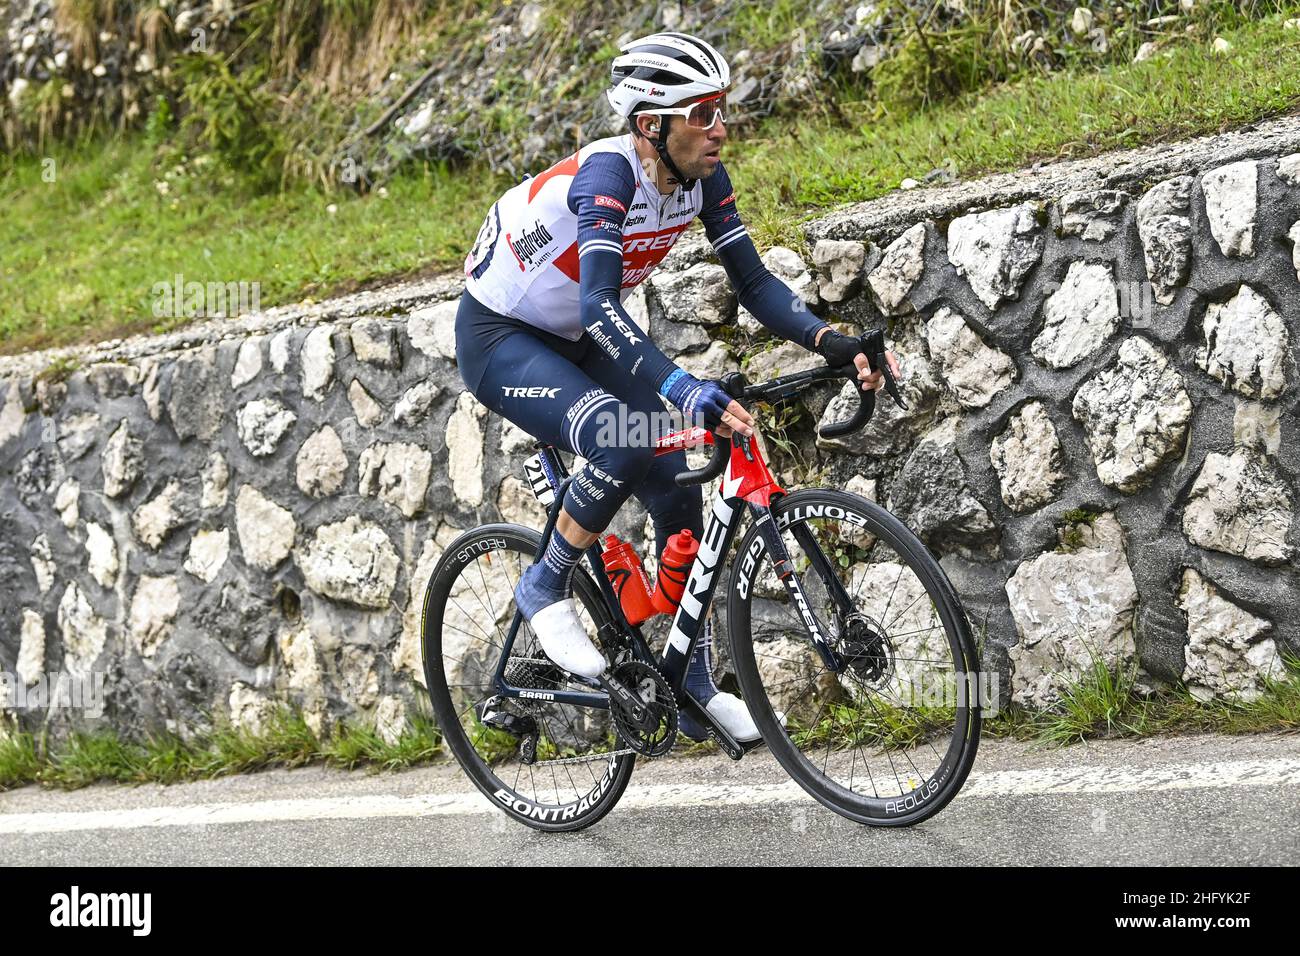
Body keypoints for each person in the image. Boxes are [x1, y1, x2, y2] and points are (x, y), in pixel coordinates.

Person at [454, 31, 899, 742]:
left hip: (572, 334)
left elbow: (752, 282)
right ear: (649, 125)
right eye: (703, 114)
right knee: (620, 438)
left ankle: (690, 680)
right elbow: (602, 306)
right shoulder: (610, 177)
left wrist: (831, 339)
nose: (721, 129)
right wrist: (685, 387)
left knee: (675, 473)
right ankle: (544, 583)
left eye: (722, 110)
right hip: (501, 337)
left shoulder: (700, 177)